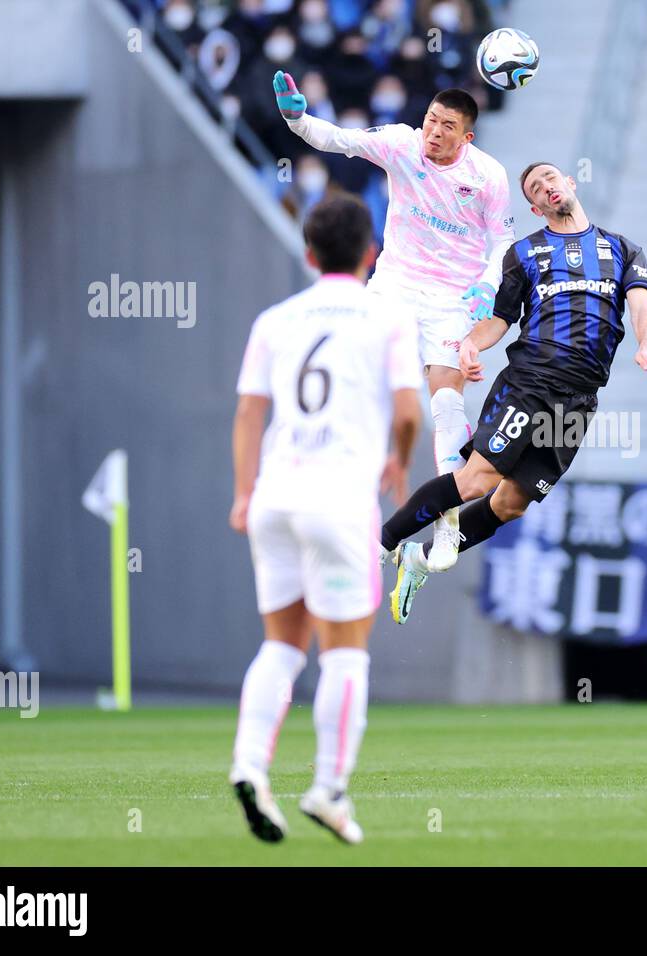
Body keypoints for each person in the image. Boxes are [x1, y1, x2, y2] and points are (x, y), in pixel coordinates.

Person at [378, 161, 647, 622]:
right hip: (531, 383)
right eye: (536, 188)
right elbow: (501, 318)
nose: (546, 188)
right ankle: (380, 543)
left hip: (580, 400)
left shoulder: (623, 250)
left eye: (551, 179)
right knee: (478, 480)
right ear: (536, 208)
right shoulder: (525, 253)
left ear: (569, 184)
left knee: (510, 504)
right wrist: (471, 345)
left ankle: (417, 560)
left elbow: (641, 305)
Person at [228, 194, 423, 845]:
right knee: (345, 653)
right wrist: (398, 461)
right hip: (340, 501)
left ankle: (250, 768)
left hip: (275, 497)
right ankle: (329, 789)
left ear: (308, 255)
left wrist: (242, 492)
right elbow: (406, 412)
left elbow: (250, 414)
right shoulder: (387, 317)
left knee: (281, 644)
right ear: (371, 253)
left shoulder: (275, 320)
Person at [274, 72, 514, 572]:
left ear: (466, 136)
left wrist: (488, 285)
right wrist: (297, 119)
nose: (434, 132)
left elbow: (503, 242)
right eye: (431, 120)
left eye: (448, 126)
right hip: (396, 283)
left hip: (452, 297)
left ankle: (447, 521)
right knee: (353, 368)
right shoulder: (401, 145)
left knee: (447, 402)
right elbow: (340, 140)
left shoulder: (489, 175)